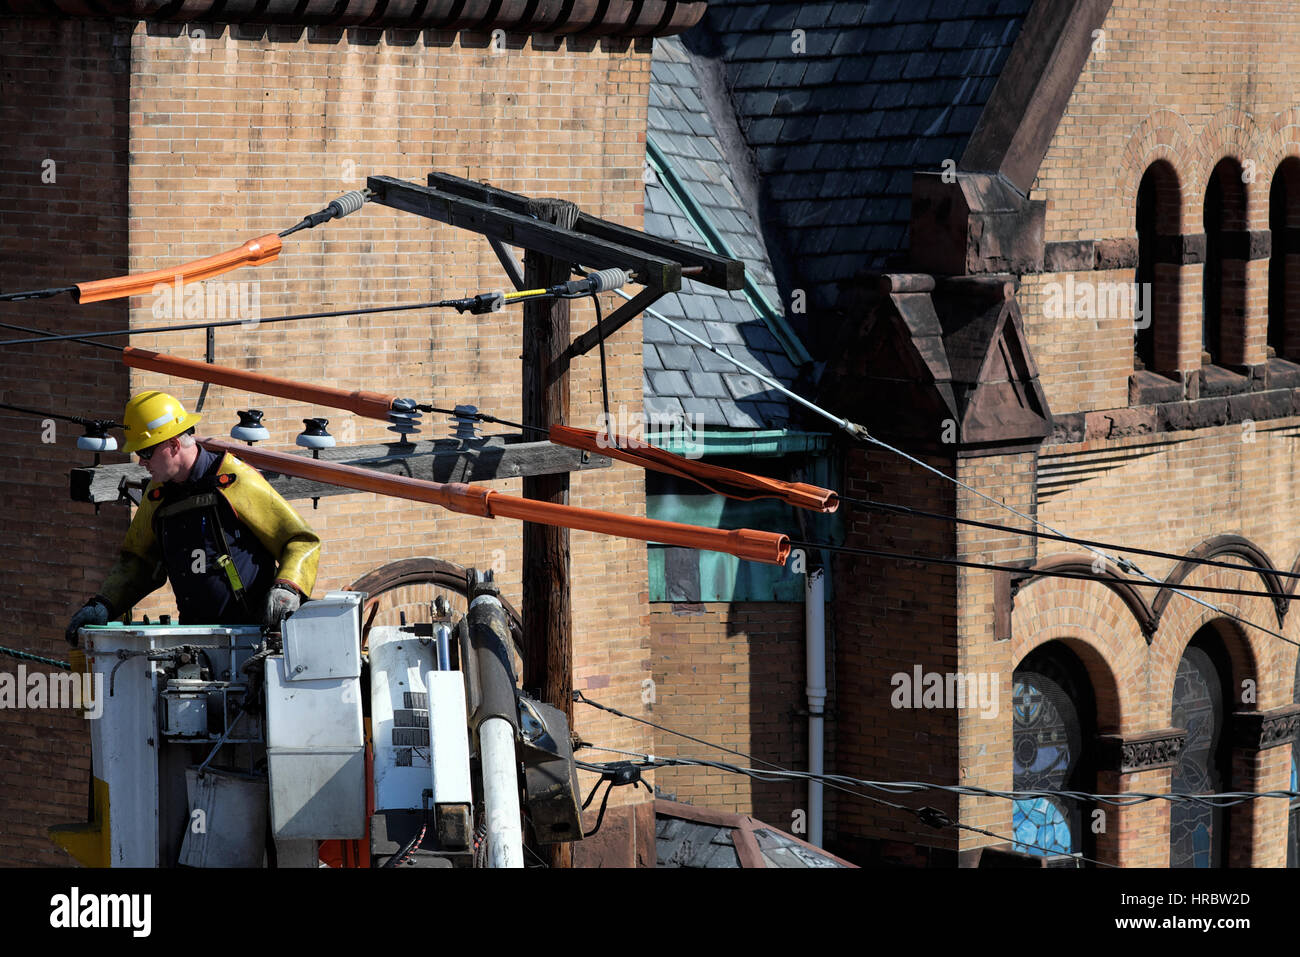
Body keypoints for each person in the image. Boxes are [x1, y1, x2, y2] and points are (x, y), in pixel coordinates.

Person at [65, 391, 321, 645]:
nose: (141, 463)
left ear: (174, 444)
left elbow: (301, 540)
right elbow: (139, 562)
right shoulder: (157, 496)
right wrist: (104, 604)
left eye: (145, 452)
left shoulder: (234, 481)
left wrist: (287, 587)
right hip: (194, 642)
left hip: (253, 639)